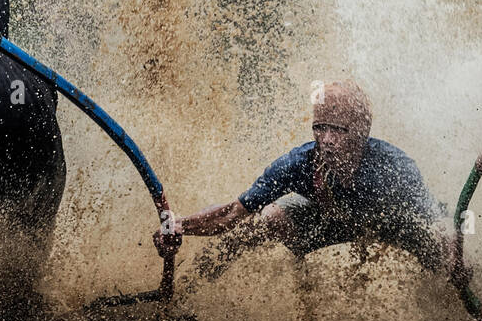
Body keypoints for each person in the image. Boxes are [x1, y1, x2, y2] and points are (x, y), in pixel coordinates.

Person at [156, 81, 453, 282]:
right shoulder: (299, 163)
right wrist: (178, 226)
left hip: (393, 226)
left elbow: (438, 222)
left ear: (362, 131)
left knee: (444, 254)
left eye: (337, 130)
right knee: (266, 218)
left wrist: (454, 257)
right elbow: (233, 213)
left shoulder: (394, 167)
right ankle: (194, 284)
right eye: (319, 129)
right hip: (333, 222)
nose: (326, 141)